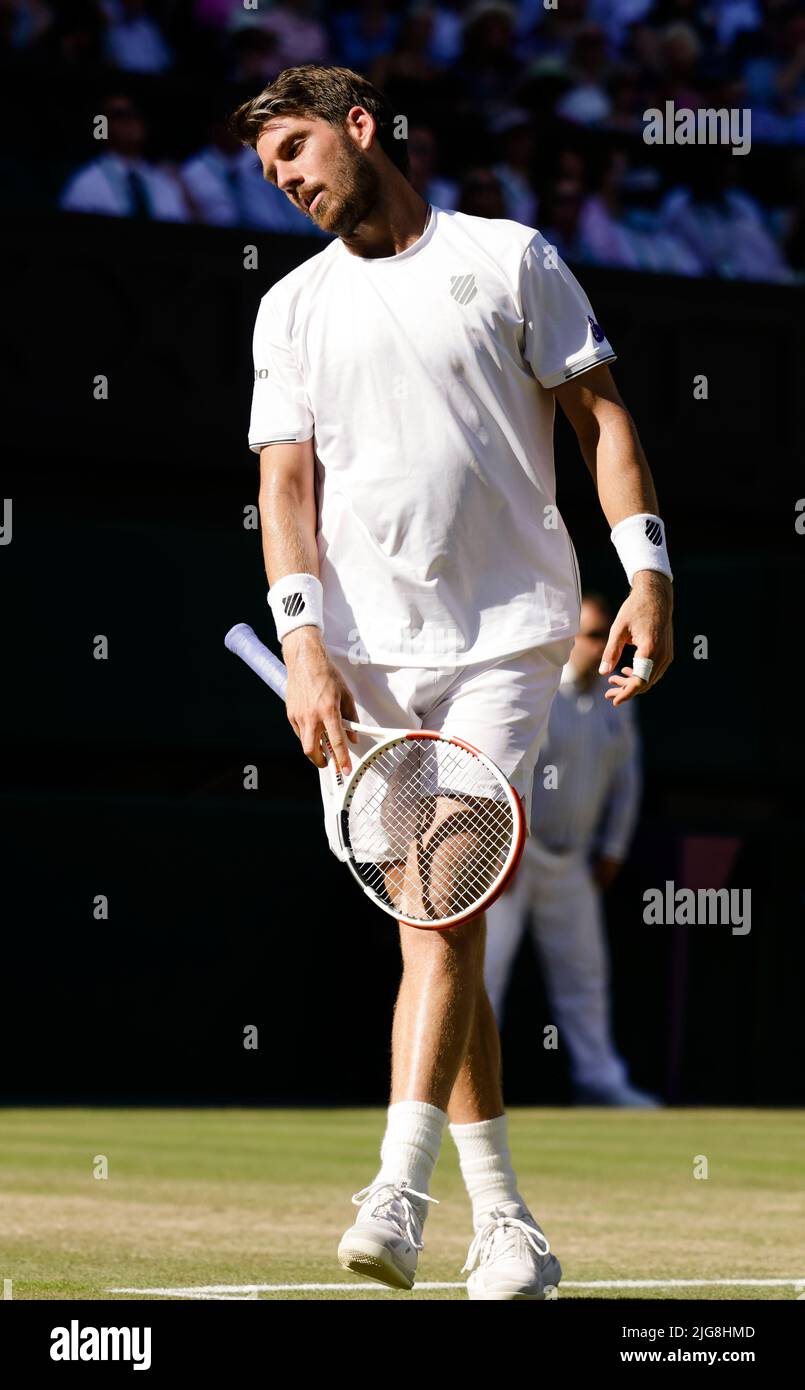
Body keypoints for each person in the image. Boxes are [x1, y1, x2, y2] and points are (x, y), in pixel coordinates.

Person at [229, 62, 673, 1300]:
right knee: (449, 922)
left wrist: (646, 570)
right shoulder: (292, 308)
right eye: (269, 169)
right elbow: (285, 489)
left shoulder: (511, 255)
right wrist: (303, 645)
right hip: (362, 660)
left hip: (506, 640)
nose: (288, 178)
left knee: (440, 909)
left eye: (301, 148)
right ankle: (509, 1225)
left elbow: (603, 420)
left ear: (362, 127)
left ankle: (396, 1186)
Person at [485, 592, 660, 1108]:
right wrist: (505, 848)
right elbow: (508, 773)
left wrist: (614, 849)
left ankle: (600, 1080)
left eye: (607, 635)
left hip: (575, 863)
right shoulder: (537, 693)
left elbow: (627, 780)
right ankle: (468, 1087)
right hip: (518, 858)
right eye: (589, 635)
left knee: (585, 977)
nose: (601, 645)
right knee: (485, 974)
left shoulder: (616, 701)